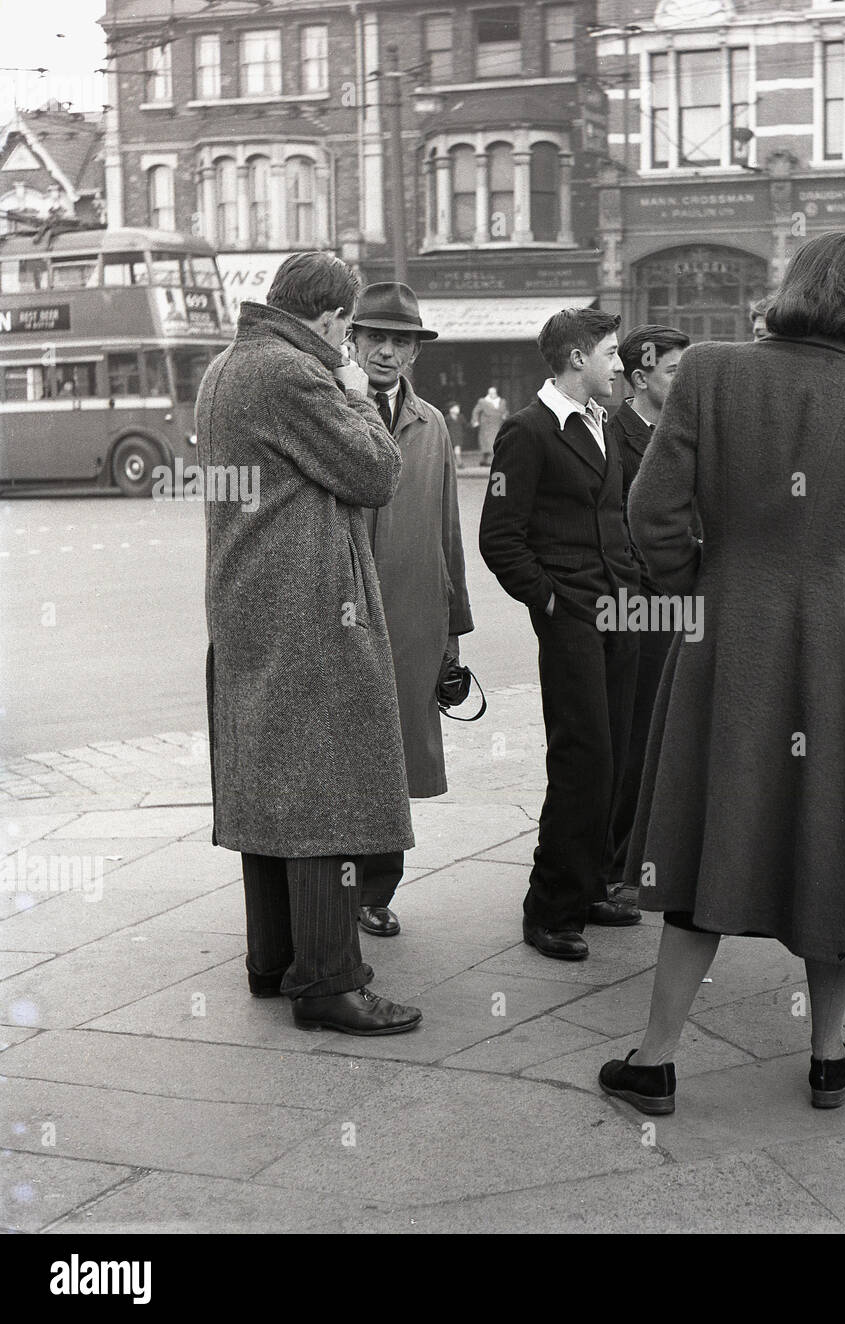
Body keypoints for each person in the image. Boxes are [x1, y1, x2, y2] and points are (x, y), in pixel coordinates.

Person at [597, 232, 845, 1115]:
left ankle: (655, 1060)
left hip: (726, 648)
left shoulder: (712, 373)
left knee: (703, 838)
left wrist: (706, 587)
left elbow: (651, 516)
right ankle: (830, 1057)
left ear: (792, 290)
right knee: (835, 839)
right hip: (840, 655)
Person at [197, 250, 421, 1036]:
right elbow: (375, 473)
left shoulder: (228, 366)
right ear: (329, 318)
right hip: (308, 606)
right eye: (347, 333)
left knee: (271, 784)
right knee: (328, 784)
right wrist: (360, 398)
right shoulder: (296, 374)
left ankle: (275, 960)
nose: (354, 350)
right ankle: (329, 980)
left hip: (252, 601)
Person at [479, 307, 642, 961]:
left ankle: (588, 886)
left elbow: (615, 519)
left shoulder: (601, 423)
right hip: (572, 619)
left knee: (615, 758)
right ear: (578, 358)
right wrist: (550, 602)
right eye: (609, 353)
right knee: (582, 762)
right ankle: (548, 908)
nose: (619, 365)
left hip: (618, 616)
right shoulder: (527, 432)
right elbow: (499, 538)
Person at [347, 282, 474, 939]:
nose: (389, 351)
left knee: (395, 760)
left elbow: (448, 527)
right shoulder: (336, 412)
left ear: (414, 352)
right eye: (377, 338)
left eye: (401, 341)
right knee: (347, 755)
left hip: (416, 616)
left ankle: (376, 888)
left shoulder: (433, 425)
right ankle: (332, 884)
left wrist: (455, 628)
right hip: (347, 614)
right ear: (354, 341)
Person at [603, 323, 690, 906]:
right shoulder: (613, 435)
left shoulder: (687, 433)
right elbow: (614, 523)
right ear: (639, 378)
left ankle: (656, 857)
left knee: (674, 738)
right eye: (674, 372)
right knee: (633, 738)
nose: (684, 382)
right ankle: (615, 867)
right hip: (640, 607)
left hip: (686, 603)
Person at [471, 385, 508, 463]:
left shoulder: (502, 401)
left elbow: (505, 411)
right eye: (490, 393)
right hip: (487, 425)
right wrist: (475, 421)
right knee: (489, 442)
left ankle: (484, 460)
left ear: (496, 393)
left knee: (495, 441)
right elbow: (476, 411)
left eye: (493, 392)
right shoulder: (483, 401)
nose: (492, 394)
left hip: (498, 424)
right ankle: (490, 461)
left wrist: (505, 415)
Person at [445, 402, 469, 467]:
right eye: (456, 408)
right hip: (450, 435)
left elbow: (465, 425)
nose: (458, 410)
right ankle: (453, 463)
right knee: (451, 450)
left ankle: (459, 462)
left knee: (457, 448)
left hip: (458, 435)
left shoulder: (461, 417)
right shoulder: (447, 418)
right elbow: (445, 427)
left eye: (458, 408)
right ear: (451, 410)